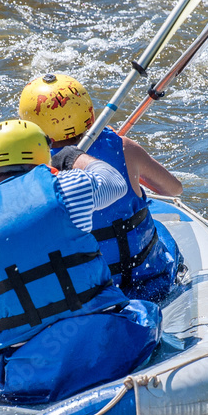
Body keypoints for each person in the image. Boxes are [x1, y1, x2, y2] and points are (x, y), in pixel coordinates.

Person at [0, 119, 160, 406]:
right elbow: (114, 182)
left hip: (32, 382)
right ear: (45, 160)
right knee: (143, 311)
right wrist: (74, 158)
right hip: (110, 347)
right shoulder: (68, 188)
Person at [18, 73, 182, 301]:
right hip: (150, 284)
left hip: (90, 297)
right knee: (162, 230)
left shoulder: (30, 174)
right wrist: (131, 168)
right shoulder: (122, 146)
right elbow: (173, 189)